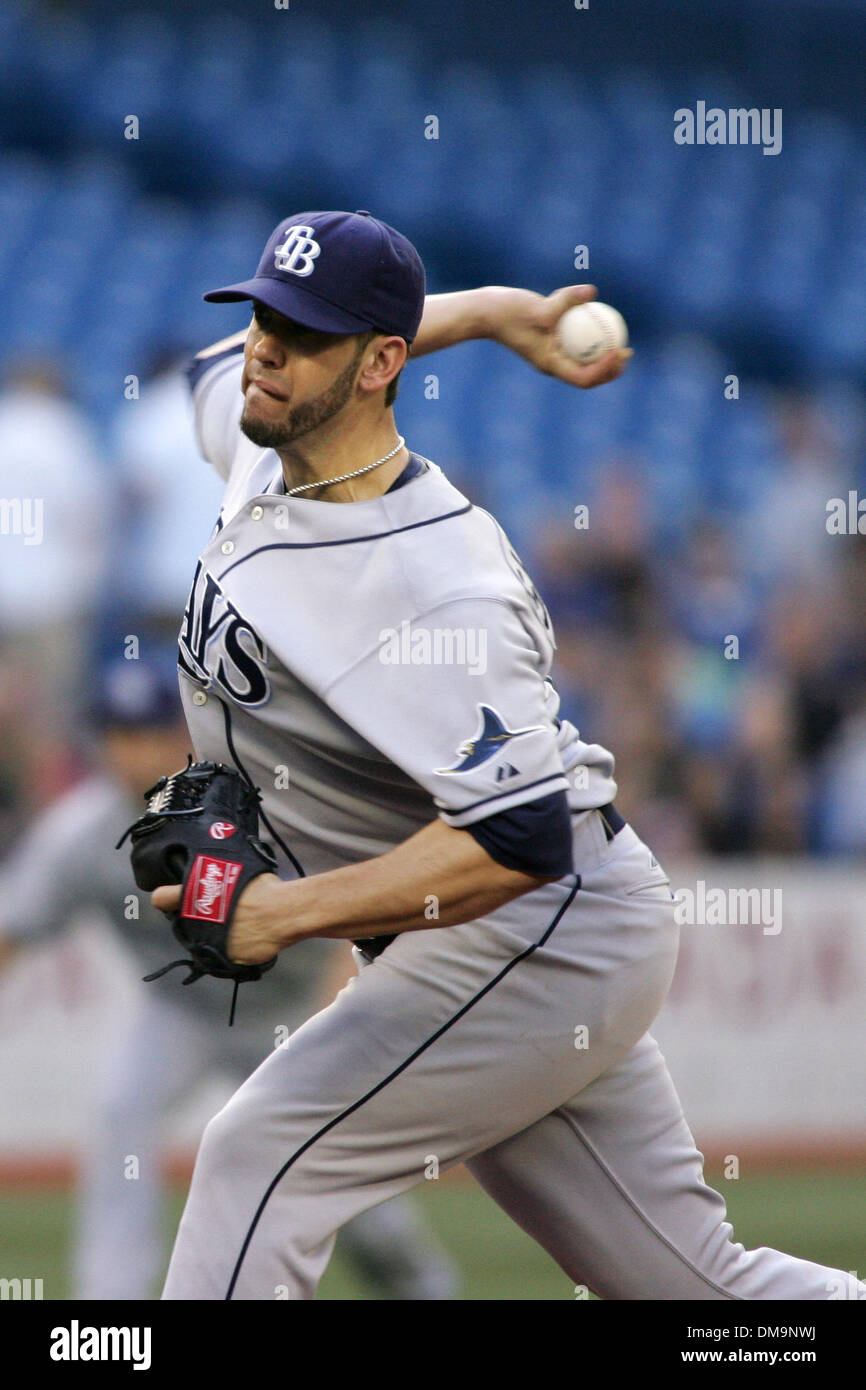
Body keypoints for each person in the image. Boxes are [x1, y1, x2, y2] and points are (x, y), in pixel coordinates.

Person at [150, 210, 857, 1301]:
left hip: (543, 926)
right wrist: (481, 315)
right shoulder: (260, 436)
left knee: (259, 1156)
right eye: (262, 317)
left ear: (379, 363)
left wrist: (281, 915)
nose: (262, 348)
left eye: (302, 330)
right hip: (497, 945)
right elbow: (243, 360)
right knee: (696, 1293)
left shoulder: (439, 585)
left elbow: (517, 836)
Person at [0, 653, 458, 1299]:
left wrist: (342, 1013)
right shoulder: (80, 833)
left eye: (148, 731)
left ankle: (422, 1288)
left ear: (182, 732)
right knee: (118, 1114)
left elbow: (357, 901)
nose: (132, 753)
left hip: (295, 1009)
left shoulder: (259, 802)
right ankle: (110, 1305)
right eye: (117, 735)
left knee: (337, 1179)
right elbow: (13, 930)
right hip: (179, 1014)